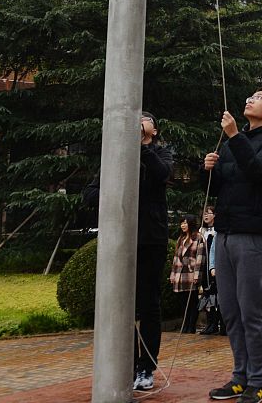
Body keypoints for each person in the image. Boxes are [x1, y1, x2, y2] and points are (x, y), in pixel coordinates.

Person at [204, 88, 262, 403]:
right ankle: (239, 377)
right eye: (249, 95)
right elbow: (216, 190)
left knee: (252, 310)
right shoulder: (230, 143)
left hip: (253, 234)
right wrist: (208, 169)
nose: (250, 99)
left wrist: (234, 136)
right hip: (224, 233)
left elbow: (258, 171)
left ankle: (259, 381)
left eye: (258, 97)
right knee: (230, 309)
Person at [82, 111, 174, 393]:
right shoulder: (113, 155)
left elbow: (161, 175)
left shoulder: (162, 154)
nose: (138, 122)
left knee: (148, 303)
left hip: (150, 237)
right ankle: (126, 362)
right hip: (119, 238)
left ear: (154, 131)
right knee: (118, 303)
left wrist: (143, 149)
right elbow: (90, 195)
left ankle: (147, 366)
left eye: (144, 119)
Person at [171, 214, 207, 334]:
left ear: (191, 223)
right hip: (180, 275)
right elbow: (176, 258)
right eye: (181, 223)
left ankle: (191, 326)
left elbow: (200, 258)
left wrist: (197, 275)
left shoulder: (198, 238)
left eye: (185, 222)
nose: (183, 225)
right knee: (182, 302)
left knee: (192, 302)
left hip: (191, 274)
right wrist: (173, 274)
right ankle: (185, 325)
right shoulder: (180, 239)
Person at [199, 207, 223, 335]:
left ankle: (219, 324)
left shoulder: (218, 231)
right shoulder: (200, 231)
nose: (206, 216)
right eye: (204, 213)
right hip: (205, 267)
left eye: (208, 213)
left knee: (217, 296)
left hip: (216, 268)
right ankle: (210, 323)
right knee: (207, 296)